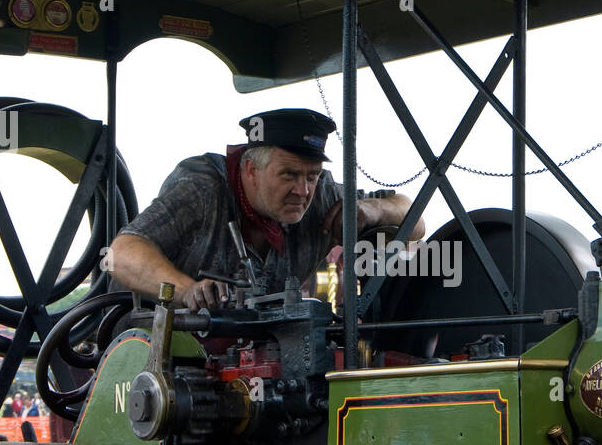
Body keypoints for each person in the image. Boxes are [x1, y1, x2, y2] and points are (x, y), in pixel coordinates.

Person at [109, 108, 424, 310]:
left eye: (311, 176)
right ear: (250, 170)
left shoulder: (324, 197)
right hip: (150, 354)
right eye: (288, 175)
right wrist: (188, 292)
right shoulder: (202, 190)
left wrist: (370, 211)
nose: (302, 191)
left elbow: (416, 220)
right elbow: (121, 253)